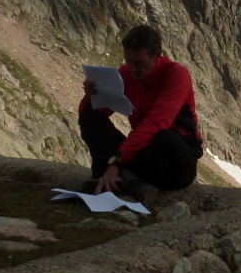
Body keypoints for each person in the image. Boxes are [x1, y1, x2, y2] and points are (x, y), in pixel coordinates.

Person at [79, 24, 203, 197]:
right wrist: (90, 98)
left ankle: (130, 181)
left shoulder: (176, 74)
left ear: (157, 55)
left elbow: (157, 123)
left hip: (177, 161)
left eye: (139, 63)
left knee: (163, 137)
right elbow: (94, 115)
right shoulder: (126, 75)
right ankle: (105, 180)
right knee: (90, 117)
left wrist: (117, 163)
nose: (133, 69)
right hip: (146, 155)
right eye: (128, 62)